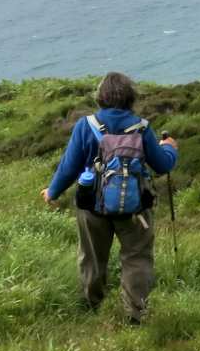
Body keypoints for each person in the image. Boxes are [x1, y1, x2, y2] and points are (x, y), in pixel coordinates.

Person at [42, 72, 178, 322]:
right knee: (137, 258)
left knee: (92, 259)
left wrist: (52, 191)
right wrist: (169, 147)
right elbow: (162, 165)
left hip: (92, 207)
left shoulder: (85, 125)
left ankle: (93, 306)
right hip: (135, 208)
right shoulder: (142, 127)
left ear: (100, 97)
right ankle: (136, 314)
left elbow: (69, 167)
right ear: (130, 97)